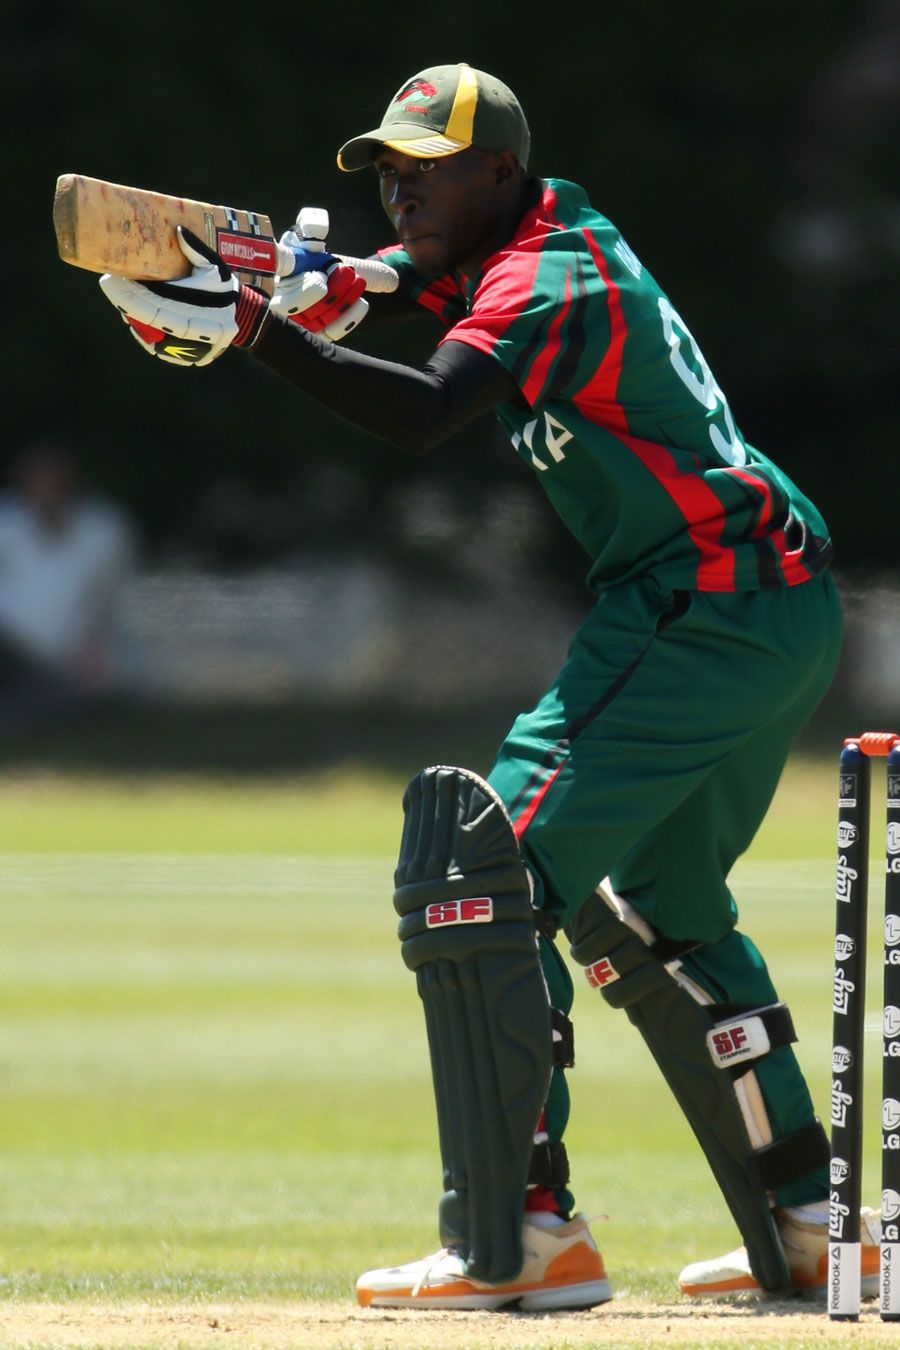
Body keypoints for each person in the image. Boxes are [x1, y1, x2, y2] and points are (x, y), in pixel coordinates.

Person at [97, 63, 881, 1310]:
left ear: (498, 172)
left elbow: (426, 412)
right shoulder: (537, 234)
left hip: (700, 601)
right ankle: (813, 1225)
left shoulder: (548, 277)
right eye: (387, 169)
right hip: (771, 609)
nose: (401, 187)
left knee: (486, 869)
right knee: (658, 906)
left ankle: (520, 1236)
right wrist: (332, 283)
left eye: (427, 166)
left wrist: (256, 332)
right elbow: (414, 282)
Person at [0, 440, 136, 734]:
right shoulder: (5, 523)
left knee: (59, 700)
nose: (45, 489)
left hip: (65, 661)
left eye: (53, 480)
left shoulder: (104, 530)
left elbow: (110, 601)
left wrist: (95, 653)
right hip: (8, 652)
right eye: (36, 480)